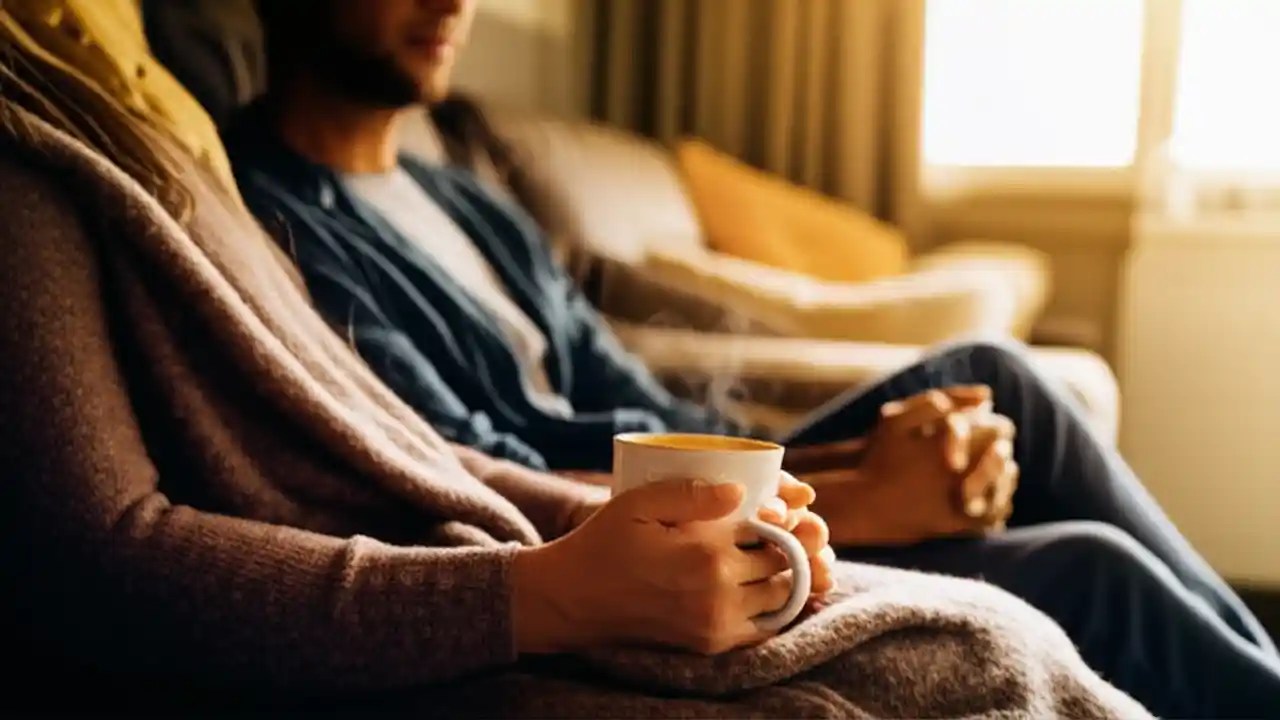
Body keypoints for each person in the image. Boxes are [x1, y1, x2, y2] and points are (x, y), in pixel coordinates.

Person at [1, 2, 1167, 718]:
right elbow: (460, 445)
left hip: (616, 501)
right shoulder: (264, 211)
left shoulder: (467, 196)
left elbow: (627, 390)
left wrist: (832, 474)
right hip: (601, 518)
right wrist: (863, 494)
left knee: (995, 382)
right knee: (1077, 571)